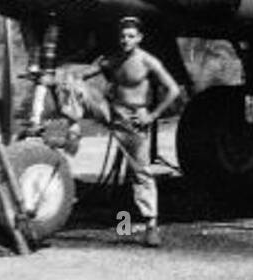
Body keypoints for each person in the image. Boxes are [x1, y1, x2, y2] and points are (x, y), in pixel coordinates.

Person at [65, 17, 183, 247]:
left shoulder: (148, 61)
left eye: (130, 36)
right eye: (122, 36)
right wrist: (69, 77)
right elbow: (82, 76)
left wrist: (152, 115)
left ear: (139, 38)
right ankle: (74, 130)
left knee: (141, 172)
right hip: (111, 111)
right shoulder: (112, 58)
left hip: (133, 120)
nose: (125, 40)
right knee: (72, 83)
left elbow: (173, 90)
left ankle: (151, 224)